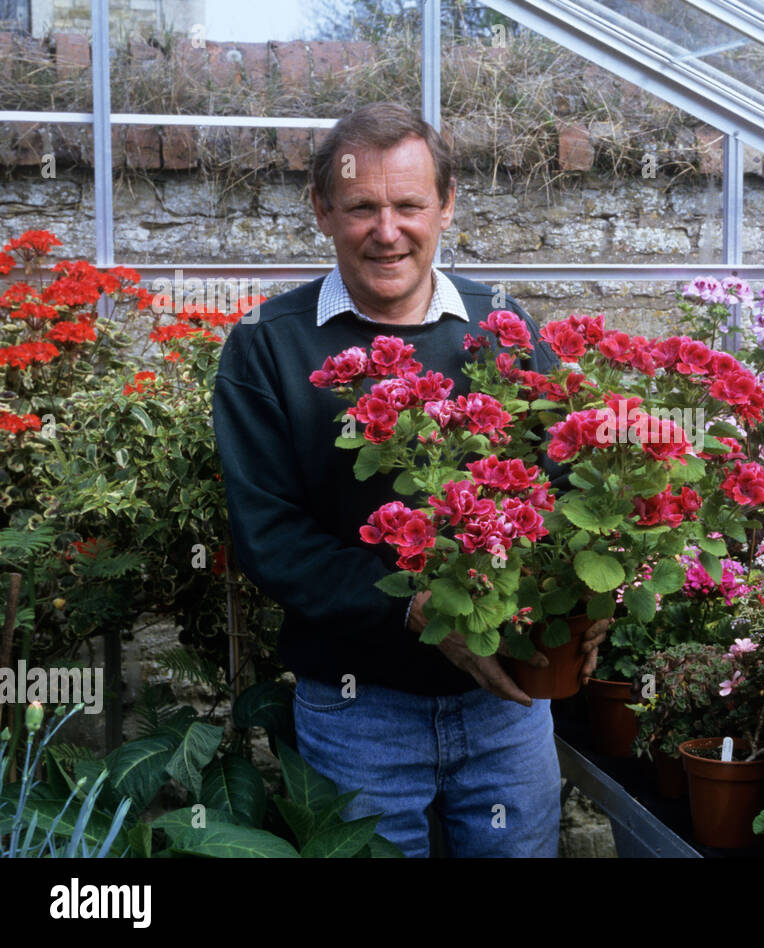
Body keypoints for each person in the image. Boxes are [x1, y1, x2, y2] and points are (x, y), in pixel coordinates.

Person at [212, 102, 605, 858]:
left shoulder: (502, 329)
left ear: (447, 206)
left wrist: (591, 605)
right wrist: (421, 610)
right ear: (322, 209)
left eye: (409, 205)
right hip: (358, 708)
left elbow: (565, 493)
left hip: (507, 704)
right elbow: (269, 537)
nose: (386, 231)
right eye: (361, 206)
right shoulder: (269, 347)